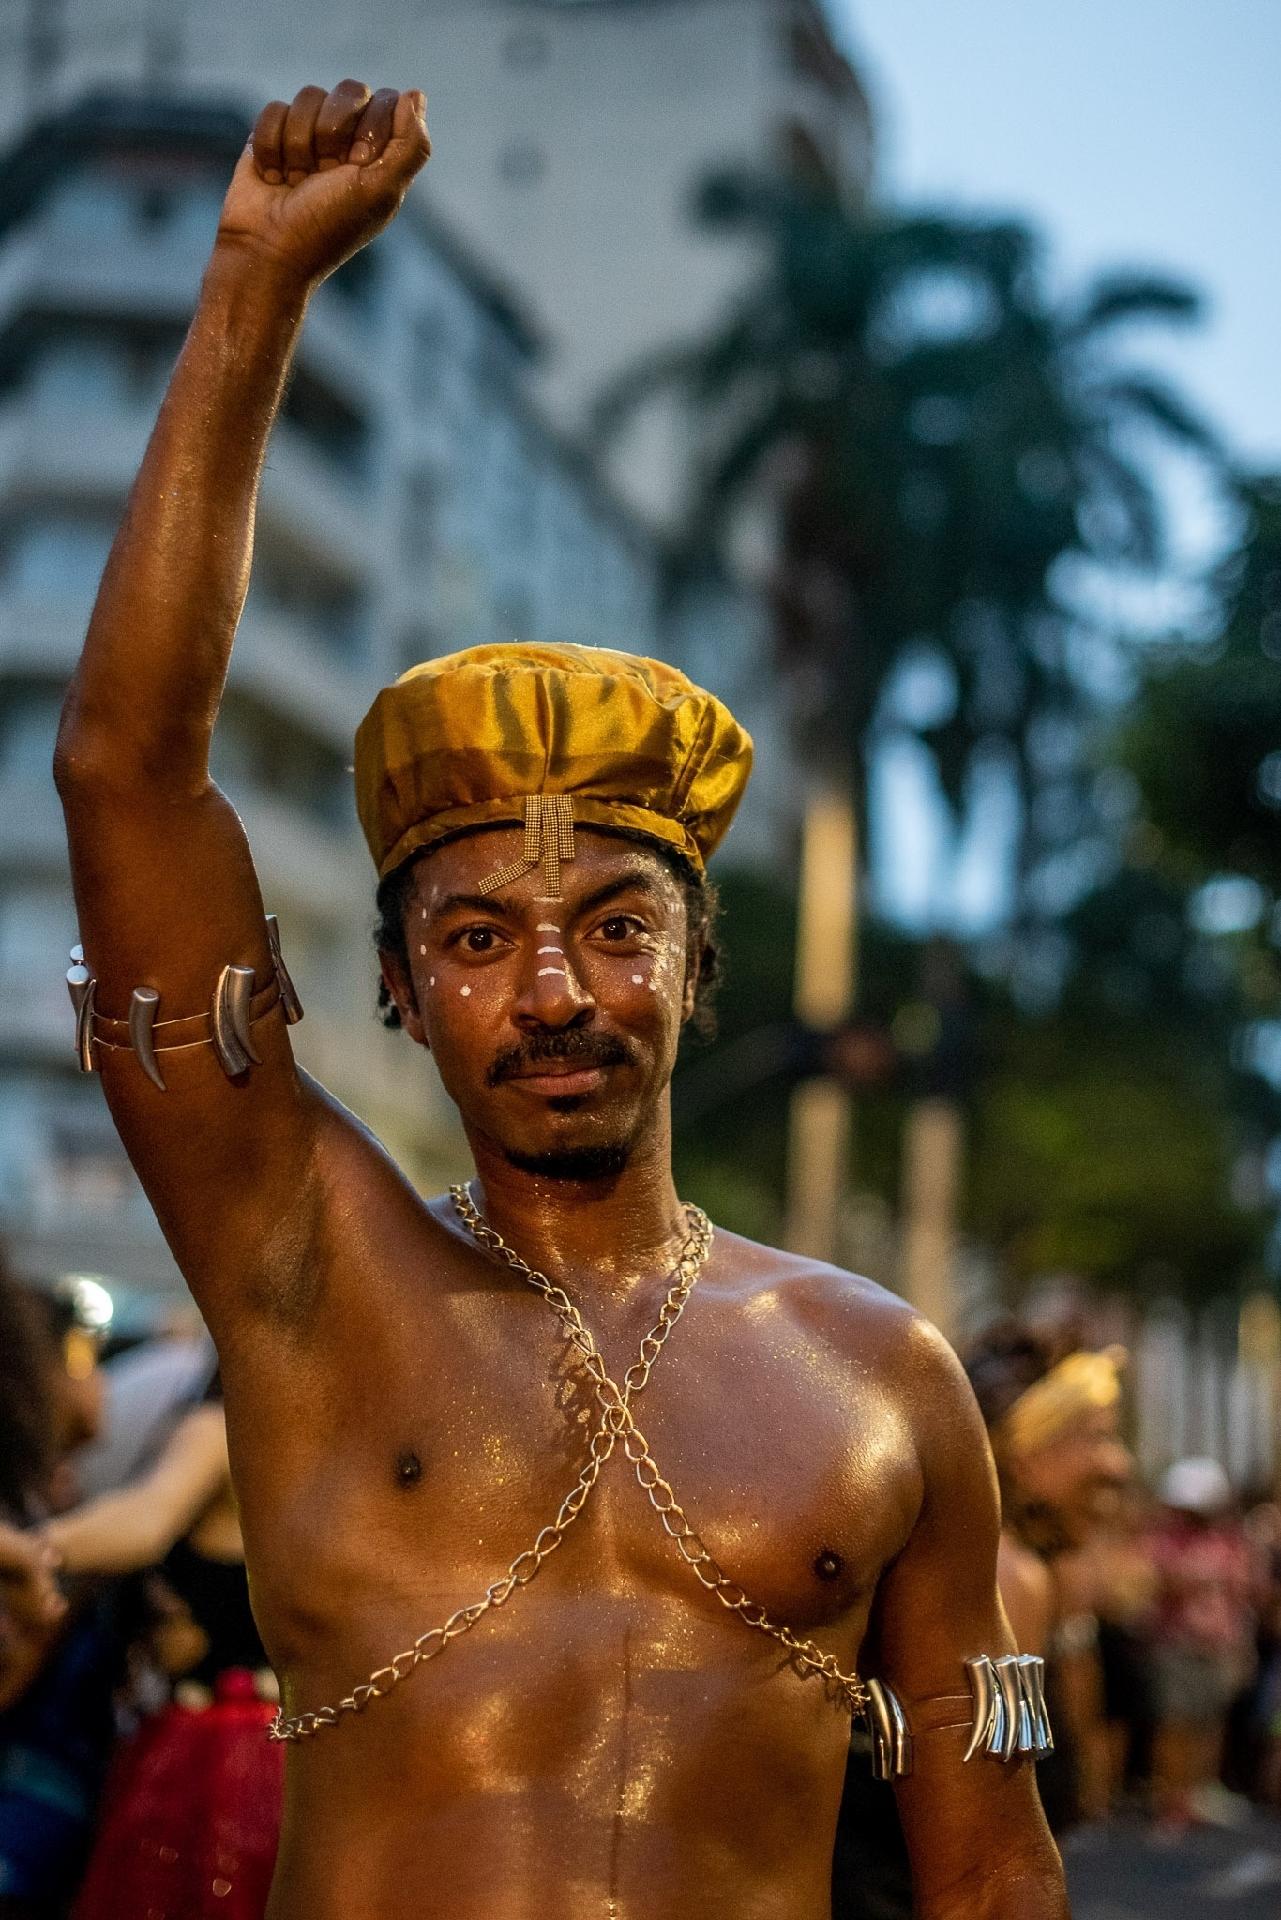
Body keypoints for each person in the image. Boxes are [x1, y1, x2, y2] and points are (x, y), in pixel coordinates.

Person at [53, 79, 1068, 1920]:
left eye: (614, 926)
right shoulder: (306, 1279)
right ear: (391, 986)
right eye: (473, 942)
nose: (551, 993)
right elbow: (128, 775)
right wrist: (254, 293)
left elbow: (992, 1873)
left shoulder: (885, 1379)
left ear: (697, 962)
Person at [48, 1374, 283, 1920]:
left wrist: (39, 1547)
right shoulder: (228, 1429)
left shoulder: (250, 1431)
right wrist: (40, 1548)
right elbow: (146, 1520)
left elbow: (146, 1520)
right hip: (236, 1758)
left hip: (248, 1758)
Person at [1148, 1456, 1256, 1830]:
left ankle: (1200, 1793)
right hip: (1177, 1643)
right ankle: (1172, 1798)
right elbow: (1160, 1583)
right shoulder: (1167, 1541)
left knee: (1210, 1722)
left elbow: (1243, 1594)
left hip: (1219, 1645)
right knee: (1177, 1723)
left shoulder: (1229, 1542)